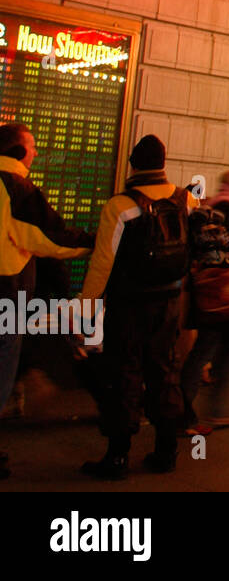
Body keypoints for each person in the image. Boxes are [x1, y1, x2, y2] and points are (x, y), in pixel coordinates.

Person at [78, 135, 198, 479]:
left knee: (124, 373)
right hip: (170, 301)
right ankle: (165, 451)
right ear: (163, 162)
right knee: (164, 371)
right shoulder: (186, 199)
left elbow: (103, 262)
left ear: (133, 163)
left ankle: (117, 457)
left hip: (129, 304)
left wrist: (85, 307)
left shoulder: (120, 205)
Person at [0, 123, 94, 479]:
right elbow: (48, 237)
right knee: (2, 365)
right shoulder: (17, 188)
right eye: (33, 146)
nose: (36, 152)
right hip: (6, 291)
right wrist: (97, 242)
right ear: (18, 152)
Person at [180, 168, 229, 433]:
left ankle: (192, 410)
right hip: (226, 293)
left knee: (207, 349)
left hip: (210, 289)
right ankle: (203, 410)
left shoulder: (214, 205)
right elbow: (228, 246)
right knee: (217, 350)